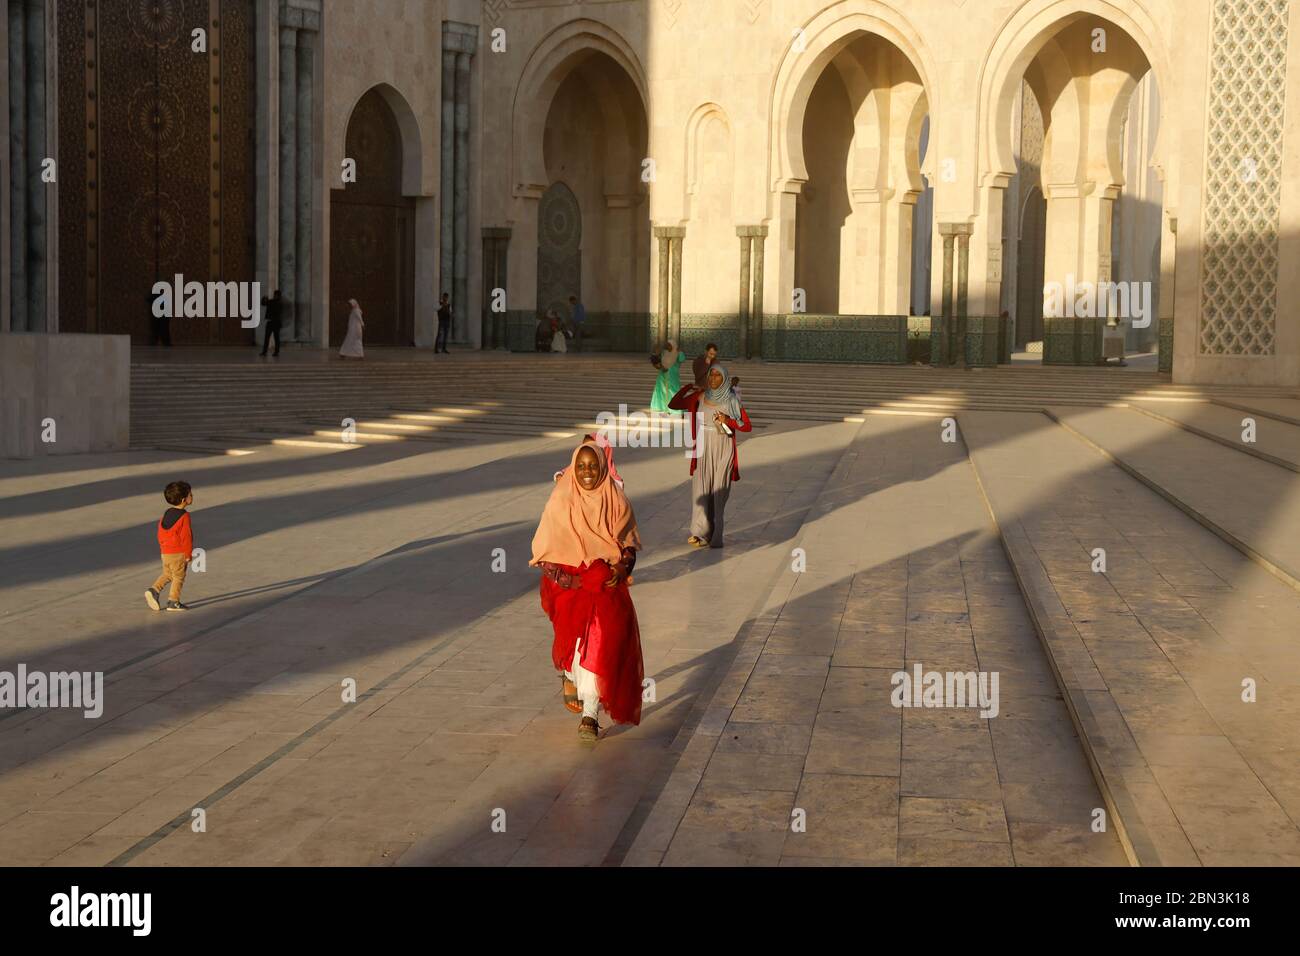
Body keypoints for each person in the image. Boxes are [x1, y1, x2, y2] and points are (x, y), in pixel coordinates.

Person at [531, 439, 644, 740]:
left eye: (593, 466)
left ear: (603, 467)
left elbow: (629, 545)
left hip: (606, 586)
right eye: (580, 467)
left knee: (599, 641)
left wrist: (622, 568)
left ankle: (590, 715)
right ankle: (569, 675)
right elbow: (545, 555)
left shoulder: (615, 499)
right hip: (569, 588)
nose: (587, 472)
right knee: (575, 644)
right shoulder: (561, 497)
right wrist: (573, 582)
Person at [669, 364, 752, 549]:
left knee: (718, 492)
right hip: (703, 448)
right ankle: (699, 532)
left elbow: (746, 426)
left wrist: (728, 420)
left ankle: (715, 534)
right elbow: (673, 404)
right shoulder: (700, 397)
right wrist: (688, 388)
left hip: (723, 448)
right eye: (711, 375)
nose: (713, 378)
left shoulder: (732, 400)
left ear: (724, 378)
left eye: (717, 375)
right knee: (700, 489)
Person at [145, 481, 195, 612]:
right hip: (178, 553)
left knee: (168, 574)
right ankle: (173, 601)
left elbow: (161, 532)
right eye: (191, 494)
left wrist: (164, 547)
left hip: (165, 552)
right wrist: (188, 554)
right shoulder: (184, 516)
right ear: (184, 499)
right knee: (179, 576)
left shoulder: (167, 513)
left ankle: (154, 590)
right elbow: (186, 537)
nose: (193, 496)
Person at [650, 339, 686, 414]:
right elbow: (658, 361)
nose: (668, 347)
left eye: (670, 345)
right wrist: (660, 366)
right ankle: (662, 407)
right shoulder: (664, 353)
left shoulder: (678, 354)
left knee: (673, 390)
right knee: (662, 390)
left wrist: (679, 352)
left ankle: (674, 408)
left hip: (673, 376)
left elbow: (682, 359)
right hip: (662, 375)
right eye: (667, 345)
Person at [260, 290, 283, 357]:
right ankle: (264, 352)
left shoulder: (278, 303)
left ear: (278, 296)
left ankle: (276, 352)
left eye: (276, 295)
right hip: (271, 322)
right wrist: (264, 298)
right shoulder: (272, 301)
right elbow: (263, 303)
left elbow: (276, 311)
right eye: (274, 294)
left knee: (276, 338)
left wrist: (267, 301)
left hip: (275, 322)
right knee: (267, 338)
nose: (274, 296)